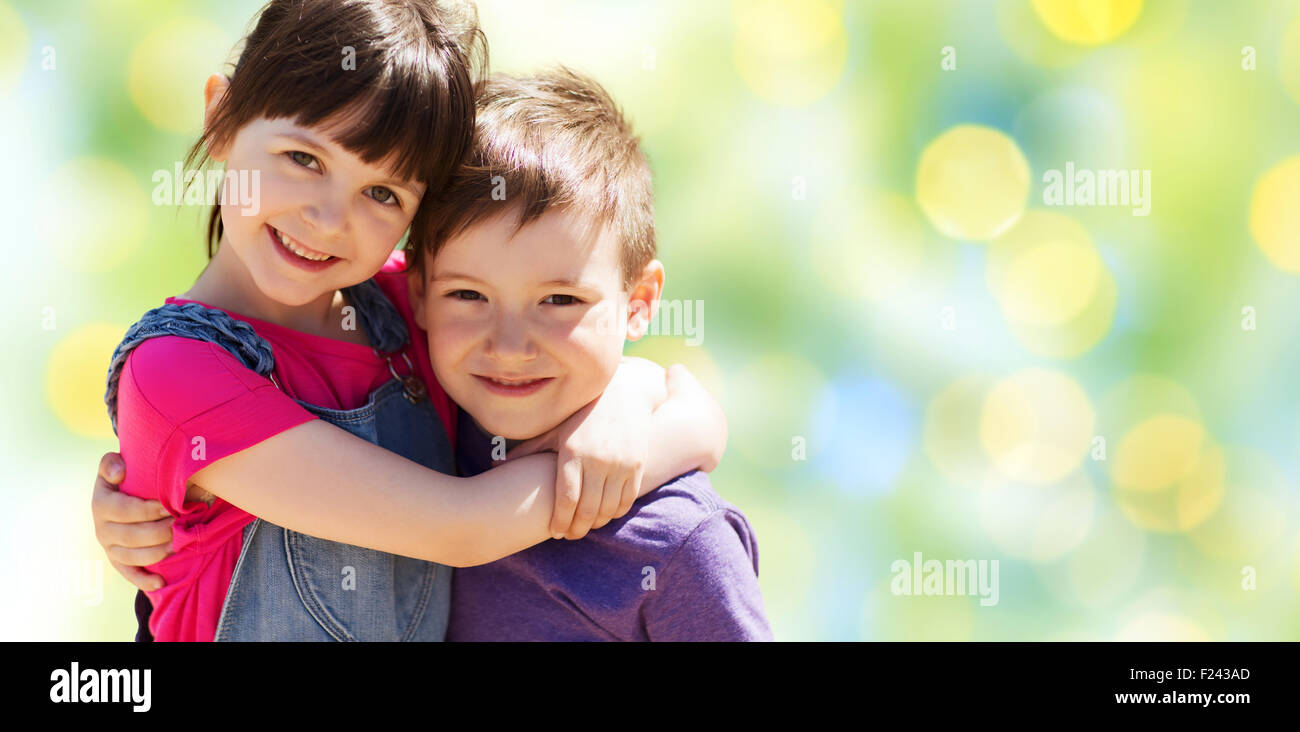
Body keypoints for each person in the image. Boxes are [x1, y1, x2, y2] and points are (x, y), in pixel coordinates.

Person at [94, 0, 727, 642]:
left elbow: (694, 410)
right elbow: (460, 528)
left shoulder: (416, 304)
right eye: (303, 159)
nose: (329, 219)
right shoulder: (175, 374)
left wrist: (623, 401)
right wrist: (636, 457)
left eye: (382, 194)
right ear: (222, 117)